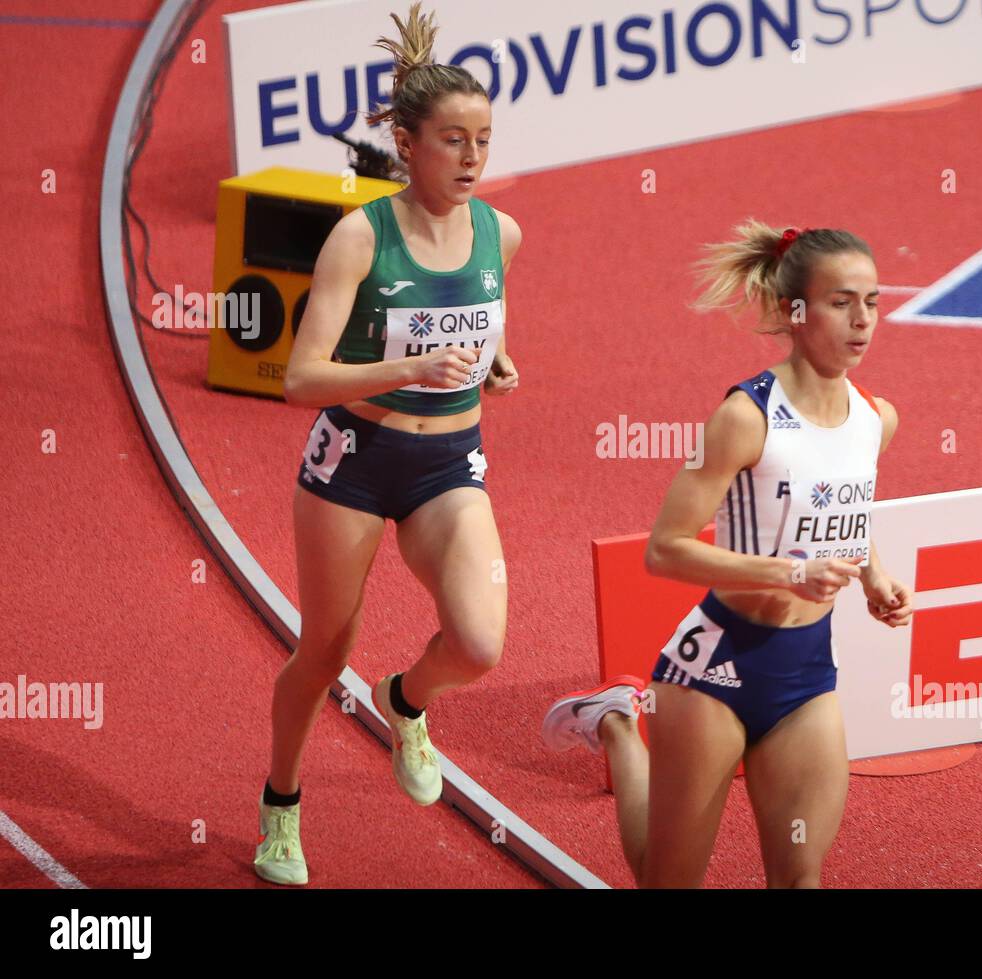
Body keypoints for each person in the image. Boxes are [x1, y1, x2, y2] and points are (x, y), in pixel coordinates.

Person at [542, 220, 912, 888]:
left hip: (805, 674)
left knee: (799, 877)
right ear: (793, 312)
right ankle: (621, 726)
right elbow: (666, 550)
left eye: (873, 301)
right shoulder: (745, 417)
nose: (863, 320)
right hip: (716, 665)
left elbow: (843, 511)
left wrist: (874, 576)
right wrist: (792, 572)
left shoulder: (874, 418)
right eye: (841, 302)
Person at [254, 2, 521, 886]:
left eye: (482, 140)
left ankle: (404, 700)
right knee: (324, 647)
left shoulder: (500, 232)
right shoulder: (359, 236)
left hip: (450, 463)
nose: (473, 159)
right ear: (406, 144)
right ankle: (281, 809)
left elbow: (476, 319)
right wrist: (406, 365)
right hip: (355, 468)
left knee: (480, 643)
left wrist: (494, 359)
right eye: (453, 141)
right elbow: (301, 379)